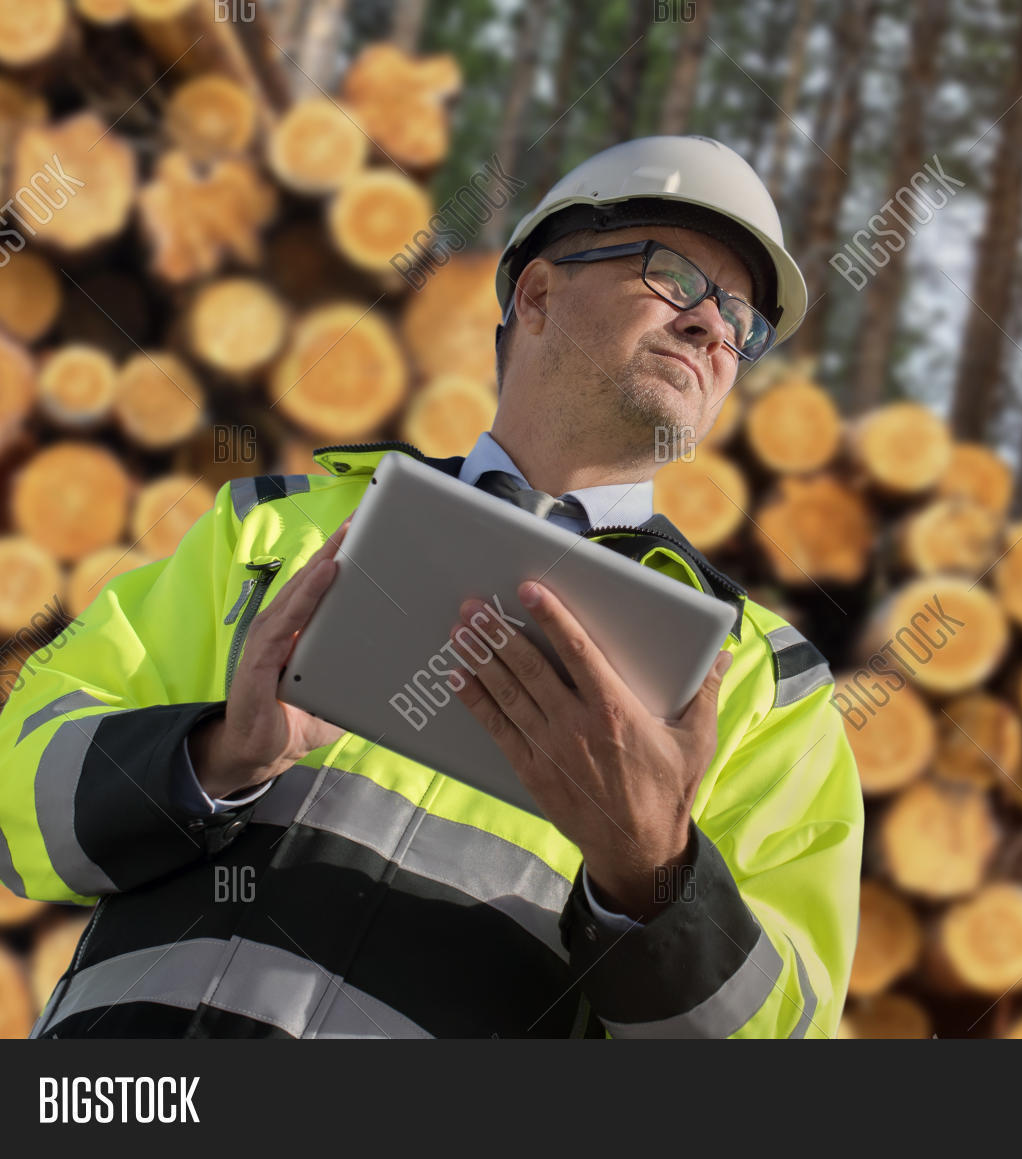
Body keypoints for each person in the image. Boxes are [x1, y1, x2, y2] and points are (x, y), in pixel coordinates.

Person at [0, 136, 864, 1039]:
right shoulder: (271, 529)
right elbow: (20, 789)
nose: (713, 327)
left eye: (741, 320)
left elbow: (779, 1041)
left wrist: (653, 876)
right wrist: (215, 757)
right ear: (537, 294)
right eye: (676, 276)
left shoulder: (764, 684)